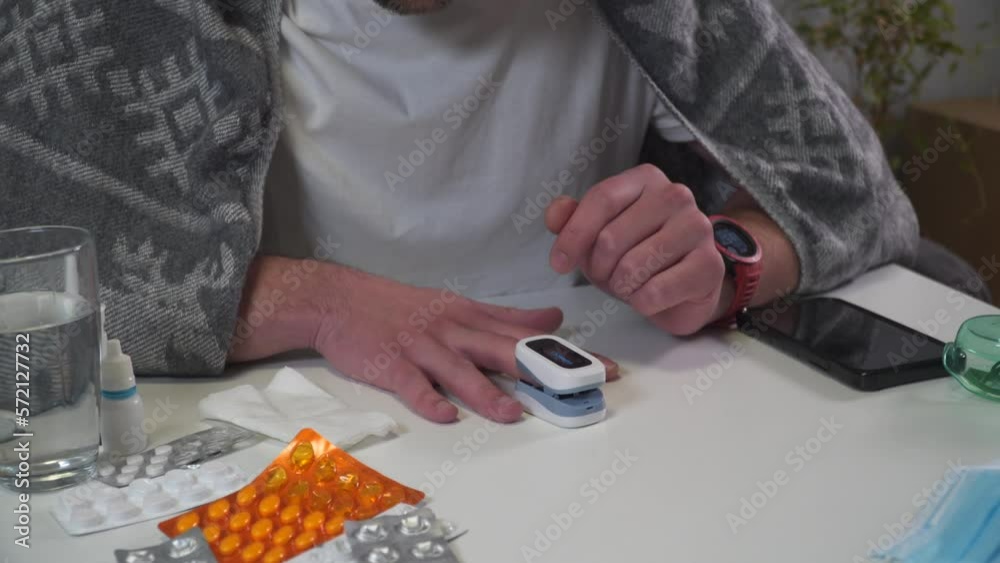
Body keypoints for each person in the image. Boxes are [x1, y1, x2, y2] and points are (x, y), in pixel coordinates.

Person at [0, 0, 919, 423]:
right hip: (278, 450)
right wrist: (309, 299)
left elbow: (848, 187)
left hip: (622, 426)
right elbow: (28, 290)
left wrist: (726, 263)